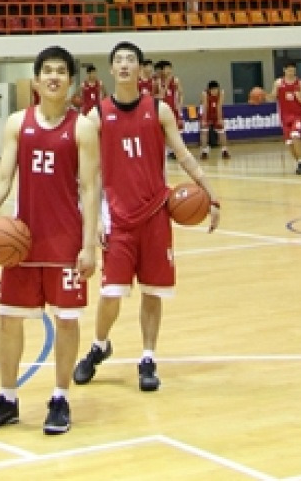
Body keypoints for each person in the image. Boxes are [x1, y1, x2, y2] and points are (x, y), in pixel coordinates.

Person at [74, 41, 221, 393]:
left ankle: (148, 357)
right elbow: (87, 178)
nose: (124, 65)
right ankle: (99, 345)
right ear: (111, 70)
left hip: (156, 214)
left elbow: (183, 156)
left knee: (153, 292)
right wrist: (93, 222)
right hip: (119, 219)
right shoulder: (96, 117)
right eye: (118, 60)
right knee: (110, 294)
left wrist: (210, 192)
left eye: (131, 60)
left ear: (141, 70)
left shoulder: (159, 110)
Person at [0, 46, 100, 436]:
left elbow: (91, 189)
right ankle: (7, 397)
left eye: (61, 71)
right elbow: (2, 179)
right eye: (47, 71)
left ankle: (60, 398)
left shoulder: (83, 127)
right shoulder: (16, 123)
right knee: (8, 319)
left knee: (67, 321)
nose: (54, 77)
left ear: (71, 81)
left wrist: (90, 244)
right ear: (37, 78)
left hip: (65, 242)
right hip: (23, 242)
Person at [272, 64, 301, 175]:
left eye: (293, 71)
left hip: (297, 115)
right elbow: (273, 96)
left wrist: (298, 97)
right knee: (289, 142)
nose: (291, 73)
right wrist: (262, 96)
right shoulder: (278, 83)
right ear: (284, 70)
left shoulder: (300, 83)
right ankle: (299, 163)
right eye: (289, 71)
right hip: (285, 116)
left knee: (295, 135)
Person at [198, 80, 230, 160]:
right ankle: (204, 151)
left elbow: (219, 106)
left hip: (216, 112)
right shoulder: (204, 94)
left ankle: (224, 150)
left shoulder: (221, 93)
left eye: (216, 90)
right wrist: (204, 120)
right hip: (206, 113)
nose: (215, 92)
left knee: (221, 131)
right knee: (204, 132)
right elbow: (205, 107)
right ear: (209, 90)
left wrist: (220, 119)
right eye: (213, 90)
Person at [156, 61, 184, 131]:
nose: (168, 71)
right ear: (162, 70)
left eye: (169, 69)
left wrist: (180, 106)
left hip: (174, 108)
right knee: (163, 129)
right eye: (166, 69)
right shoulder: (158, 81)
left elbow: (181, 94)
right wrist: (167, 82)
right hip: (163, 108)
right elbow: (161, 95)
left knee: (176, 130)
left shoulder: (175, 80)